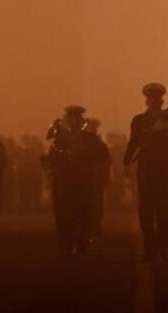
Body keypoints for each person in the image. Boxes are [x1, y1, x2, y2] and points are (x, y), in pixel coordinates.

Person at [124, 81, 168, 263]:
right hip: (146, 172)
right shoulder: (138, 120)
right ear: (146, 102)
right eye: (151, 99)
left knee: (164, 212)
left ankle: (163, 249)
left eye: (157, 99)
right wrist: (125, 163)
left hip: (165, 171)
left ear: (162, 101)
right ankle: (149, 251)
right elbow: (133, 143)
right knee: (146, 213)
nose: (154, 102)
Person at [46, 106, 103, 255]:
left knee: (83, 212)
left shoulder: (90, 138)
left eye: (77, 119)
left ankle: (81, 241)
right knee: (63, 213)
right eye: (71, 119)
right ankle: (66, 241)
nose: (74, 122)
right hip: (64, 180)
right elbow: (51, 158)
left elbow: (102, 156)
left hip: (84, 180)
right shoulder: (59, 138)